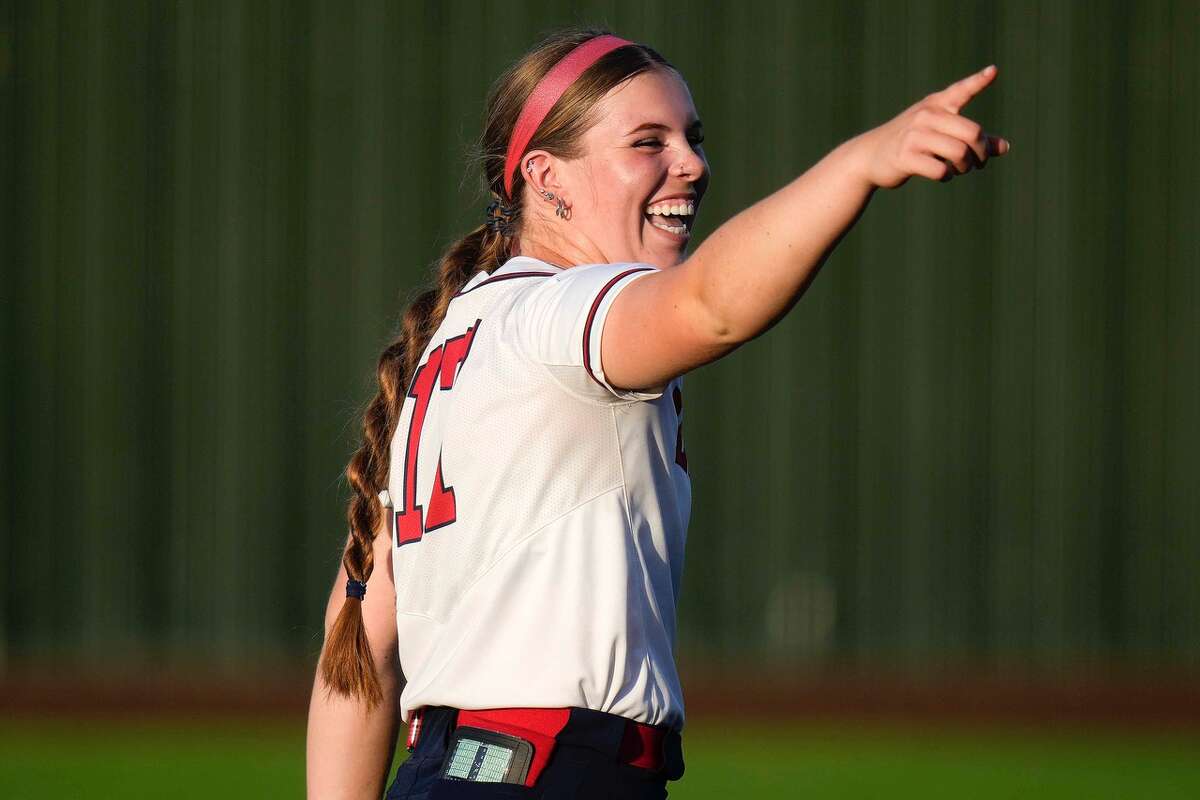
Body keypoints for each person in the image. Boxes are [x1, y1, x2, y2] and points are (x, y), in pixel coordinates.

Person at [305, 25, 1009, 800]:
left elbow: (357, 646)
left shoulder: (450, 350)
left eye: (692, 138)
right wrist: (859, 163)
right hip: (550, 776)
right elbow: (711, 308)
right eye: (648, 142)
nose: (692, 163)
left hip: (453, 774)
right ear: (545, 176)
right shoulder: (554, 314)